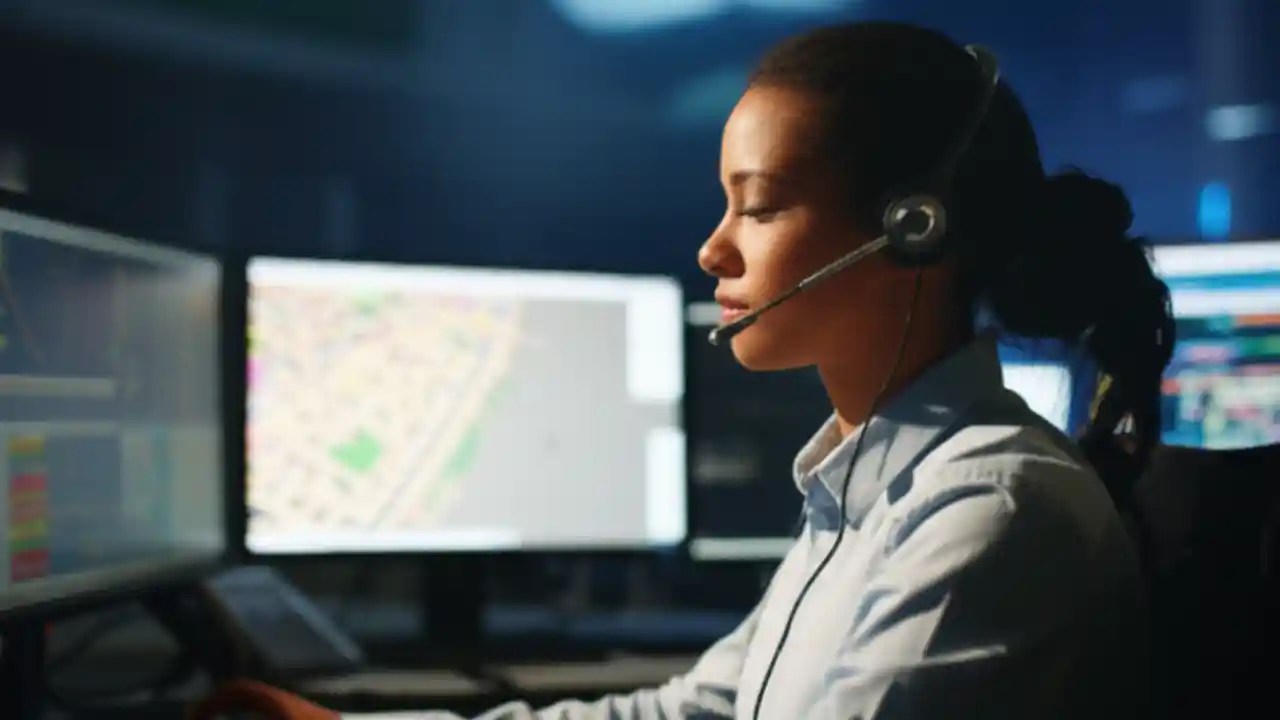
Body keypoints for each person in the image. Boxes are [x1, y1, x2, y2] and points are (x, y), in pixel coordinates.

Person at [196, 20, 1174, 720]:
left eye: (758, 206)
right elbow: (686, 711)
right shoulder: (867, 498)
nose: (711, 250)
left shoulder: (985, 517)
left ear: (910, 230)